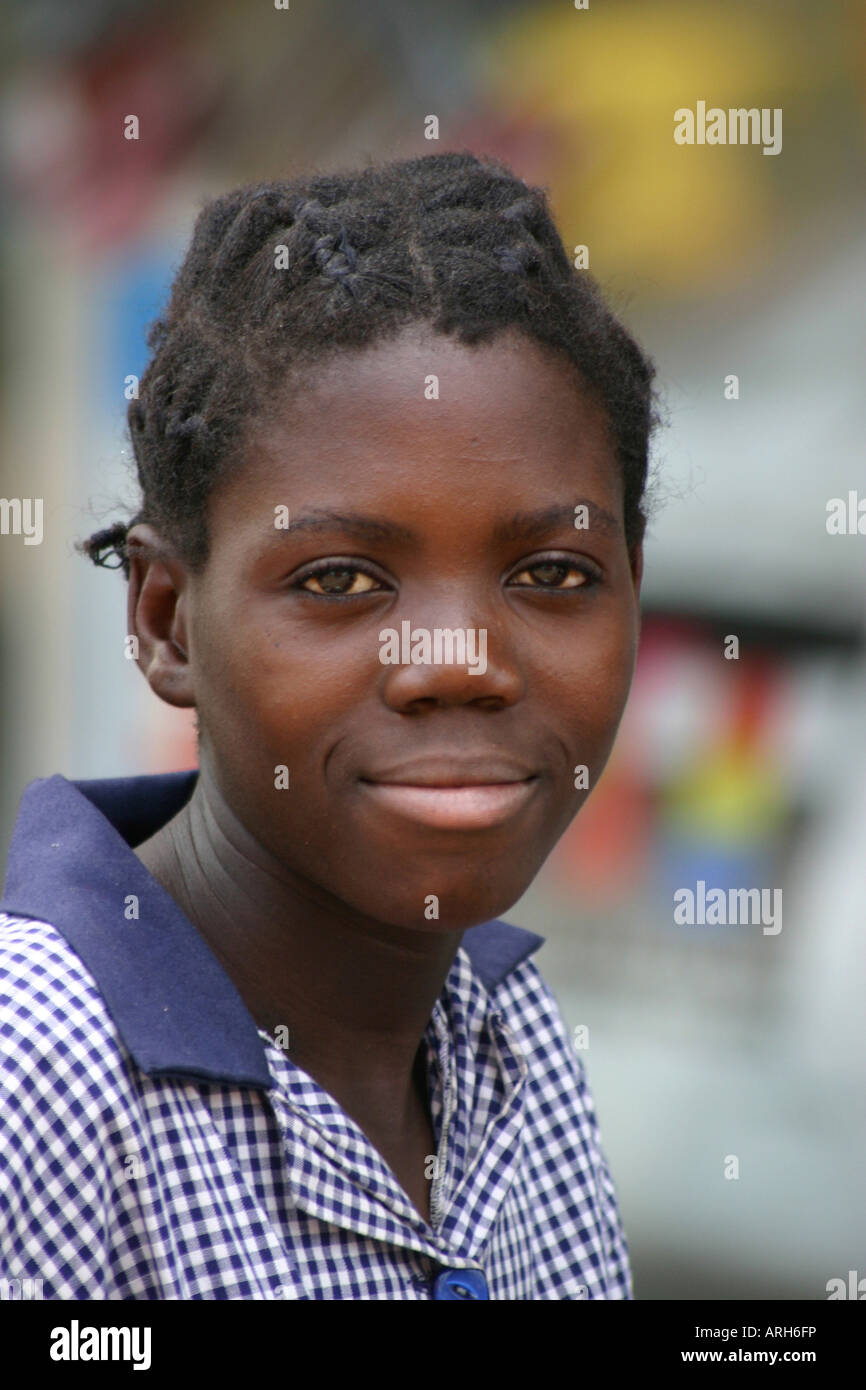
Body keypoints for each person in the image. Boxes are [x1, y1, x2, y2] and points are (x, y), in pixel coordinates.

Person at [0, 150, 659, 1300]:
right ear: (167, 623)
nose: (459, 663)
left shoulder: (509, 1037)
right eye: (343, 580)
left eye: (551, 572)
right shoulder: (41, 1077)